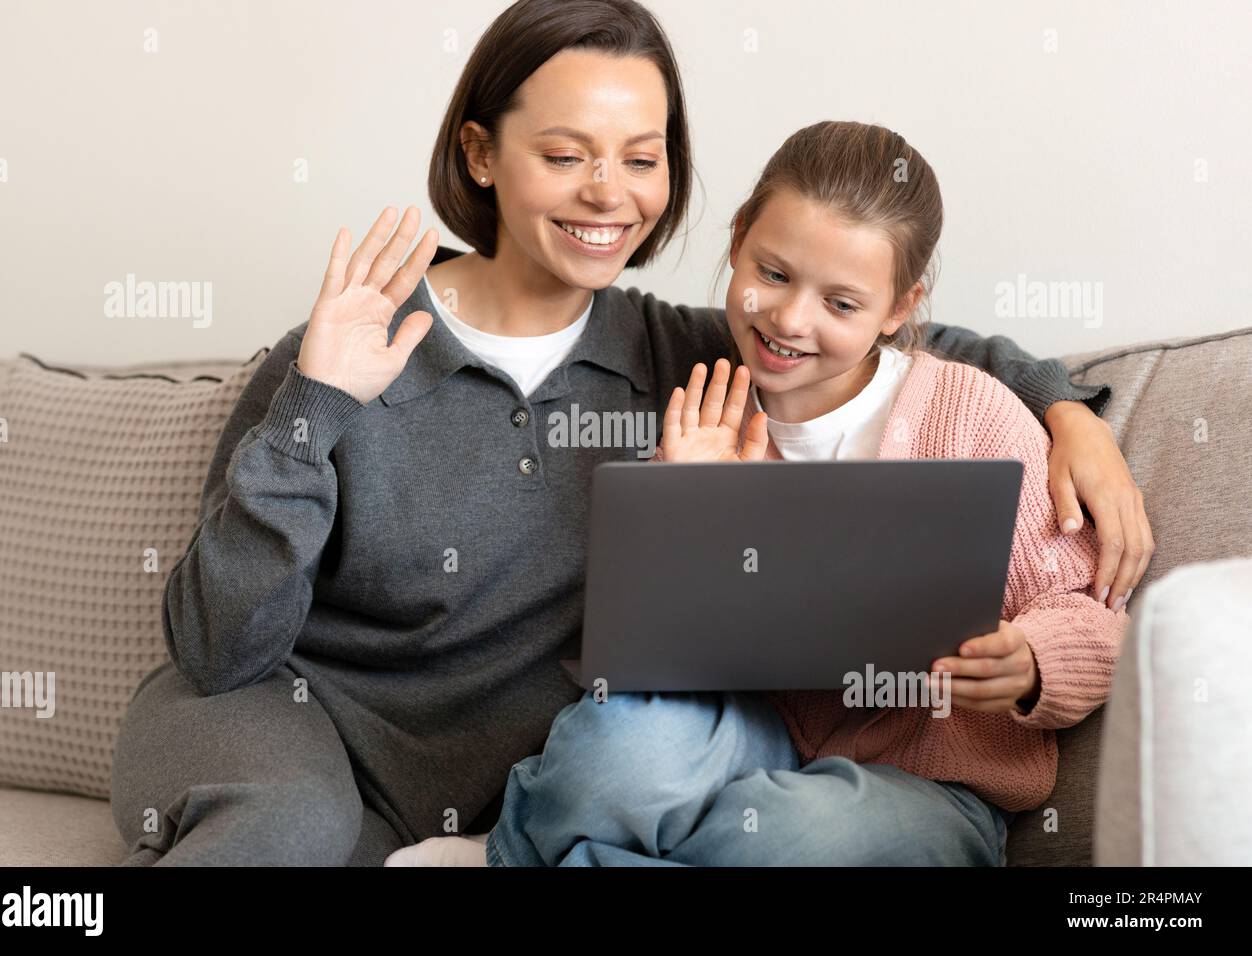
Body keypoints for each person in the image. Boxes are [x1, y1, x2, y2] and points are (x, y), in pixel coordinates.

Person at [110, 0, 1151, 866]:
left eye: (640, 157)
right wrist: (313, 404)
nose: (608, 193)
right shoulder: (342, 347)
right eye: (564, 154)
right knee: (289, 831)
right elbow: (218, 645)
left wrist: (1063, 407)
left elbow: (882, 335)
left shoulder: (684, 352)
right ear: (479, 152)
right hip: (290, 713)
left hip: (517, 788)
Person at [393, 120, 1127, 866]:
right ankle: (504, 854)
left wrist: (1033, 661)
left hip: (927, 784)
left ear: (899, 309)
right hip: (745, 729)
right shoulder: (706, 400)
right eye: (773, 274)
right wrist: (681, 510)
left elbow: (1095, 617)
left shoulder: (972, 413)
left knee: (783, 835)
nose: (789, 319)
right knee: (616, 754)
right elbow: (642, 652)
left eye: (842, 305)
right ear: (740, 235)